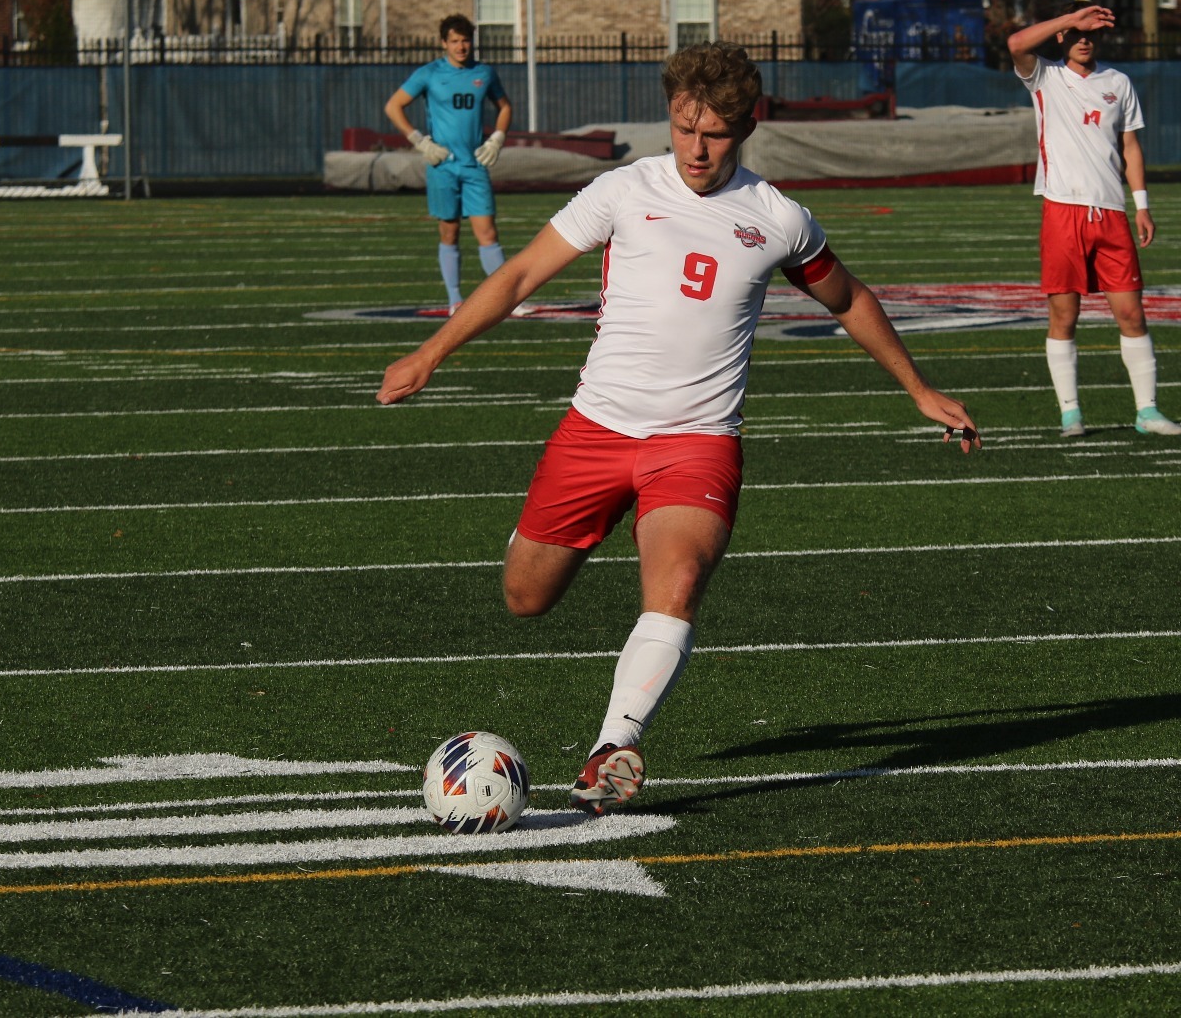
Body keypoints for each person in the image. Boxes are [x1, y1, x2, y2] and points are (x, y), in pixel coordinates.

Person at [378, 42, 980, 814]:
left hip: (698, 441)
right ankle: (580, 565)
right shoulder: (624, 190)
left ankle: (612, 746)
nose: (698, 148)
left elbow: (849, 297)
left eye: (718, 132)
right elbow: (523, 272)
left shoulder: (778, 218)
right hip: (595, 430)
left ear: (749, 125)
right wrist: (432, 352)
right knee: (526, 596)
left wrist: (919, 388)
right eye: (685, 128)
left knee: (679, 583)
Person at [1007, 3, 1181, 438]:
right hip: (1062, 211)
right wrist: (1070, 19)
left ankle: (1147, 411)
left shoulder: (1118, 83)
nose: (1086, 39)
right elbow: (1015, 43)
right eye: (1079, 32)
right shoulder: (1045, 76)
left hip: (1110, 213)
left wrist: (1141, 204)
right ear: (1064, 36)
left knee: (1131, 314)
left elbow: (1131, 147)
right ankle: (1071, 414)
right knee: (1064, 317)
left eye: (1093, 33)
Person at [385, 15, 513, 312]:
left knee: (488, 233)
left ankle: (506, 300)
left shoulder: (484, 72)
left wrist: (497, 138)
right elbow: (393, 106)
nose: (461, 46)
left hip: (474, 165)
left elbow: (504, 107)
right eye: (454, 41)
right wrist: (419, 140)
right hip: (442, 166)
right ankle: (455, 300)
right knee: (449, 231)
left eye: (465, 40)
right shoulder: (429, 73)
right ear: (444, 43)